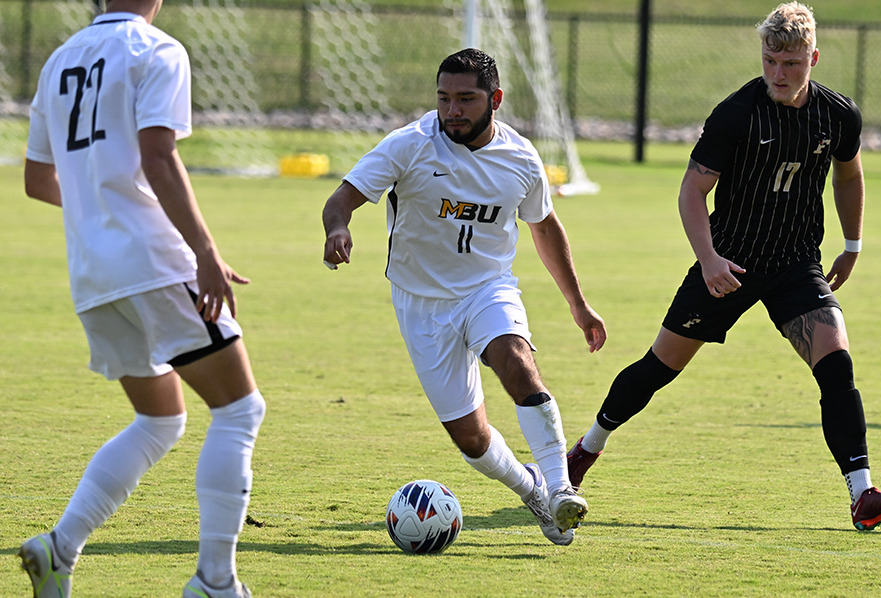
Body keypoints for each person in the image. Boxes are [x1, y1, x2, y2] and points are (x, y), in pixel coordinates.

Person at [566, 2, 881, 531]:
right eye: (770, 60)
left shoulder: (838, 116)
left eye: (791, 63)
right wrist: (708, 260)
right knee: (658, 368)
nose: (779, 73)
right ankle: (585, 451)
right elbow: (691, 192)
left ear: (813, 58)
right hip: (730, 261)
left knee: (837, 363)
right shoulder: (736, 114)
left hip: (798, 264)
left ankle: (862, 496)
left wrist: (853, 242)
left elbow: (848, 176)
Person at [19, 0, 264, 596]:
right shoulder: (157, 50)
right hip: (152, 262)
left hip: (93, 275)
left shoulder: (59, 60)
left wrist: (99, 210)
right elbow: (157, 154)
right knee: (238, 410)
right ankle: (214, 581)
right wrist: (205, 251)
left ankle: (59, 549)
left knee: (159, 419)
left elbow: (37, 179)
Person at [322, 48, 606, 546]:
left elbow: (544, 228)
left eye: (466, 99)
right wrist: (337, 229)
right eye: (444, 98)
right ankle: (531, 488)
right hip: (421, 303)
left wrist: (578, 304)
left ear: (494, 99)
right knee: (472, 440)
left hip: (487, 288)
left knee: (516, 360)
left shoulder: (520, 158)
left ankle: (562, 490)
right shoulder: (408, 145)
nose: (452, 110)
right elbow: (341, 199)